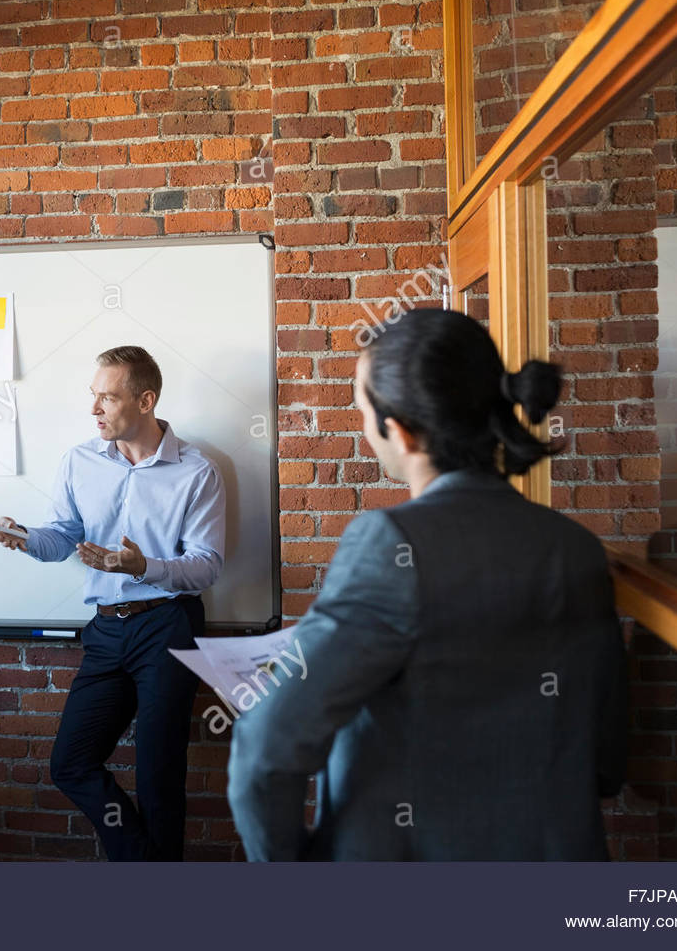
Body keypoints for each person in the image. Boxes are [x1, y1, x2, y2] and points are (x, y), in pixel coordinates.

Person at [227, 308, 627, 861]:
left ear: (401, 430)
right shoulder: (577, 547)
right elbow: (606, 762)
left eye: (362, 410)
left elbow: (266, 747)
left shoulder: (389, 544)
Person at [0, 346, 225, 861]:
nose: (94, 408)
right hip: (105, 630)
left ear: (145, 401)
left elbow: (208, 565)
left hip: (168, 624)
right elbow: (65, 538)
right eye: (92, 396)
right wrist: (27, 537)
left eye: (107, 397)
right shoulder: (78, 461)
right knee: (71, 763)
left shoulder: (197, 472)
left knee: (159, 775)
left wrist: (141, 567)